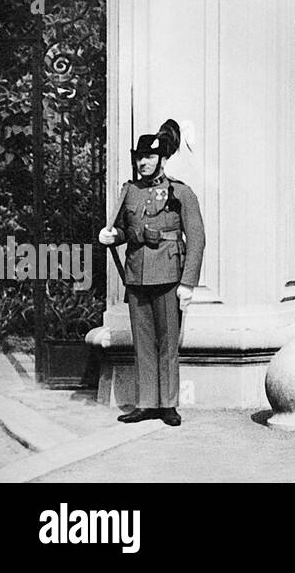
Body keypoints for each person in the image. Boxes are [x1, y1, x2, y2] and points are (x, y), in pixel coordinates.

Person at [98, 119, 205, 427]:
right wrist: (112, 237)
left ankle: (168, 404)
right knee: (142, 342)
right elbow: (124, 230)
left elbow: (196, 237)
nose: (143, 162)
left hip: (170, 275)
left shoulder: (180, 192)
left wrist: (188, 282)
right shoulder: (129, 192)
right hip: (136, 274)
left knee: (168, 342)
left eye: (150, 157)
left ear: (162, 158)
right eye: (139, 157)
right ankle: (146, 403)